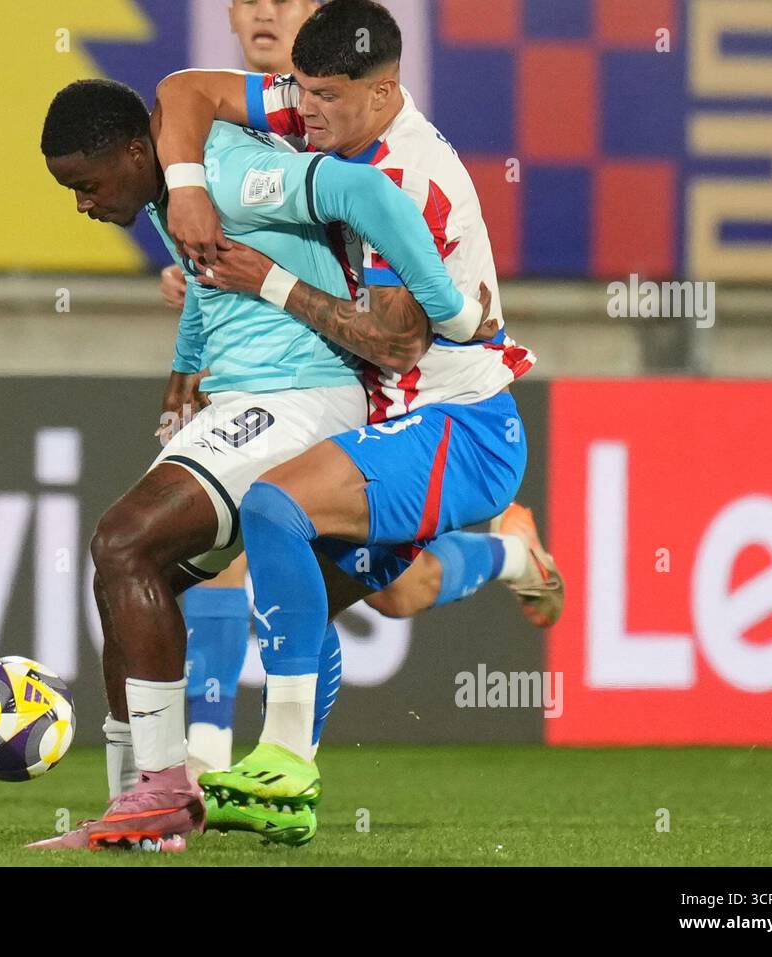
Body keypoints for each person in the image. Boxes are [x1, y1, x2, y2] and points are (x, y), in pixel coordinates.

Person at [34, 76, 490, 850]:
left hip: (303, 398)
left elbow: (364, 190)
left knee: (123, 543)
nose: (81, 203)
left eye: (85, 183)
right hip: (254, 398)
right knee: (129, 573)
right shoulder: (171, 192)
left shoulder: (226, 172)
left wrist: (450, 309)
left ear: (138, 151)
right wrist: (186, 372)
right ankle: (141, 814)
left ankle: (161, 793)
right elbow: (213, 291)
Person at [153, 0, 563, 828]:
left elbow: (396, 346)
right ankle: (513, 556)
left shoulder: (406, 179)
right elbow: (182, 91)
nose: (304, 114)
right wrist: (191, 194)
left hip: (460, 424)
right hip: (382, 421)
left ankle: (277, 763)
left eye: (325, 98)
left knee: (273, 509)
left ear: (382, 95)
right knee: (380, 595)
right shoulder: (322, 105)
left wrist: (263, 279)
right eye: (298, 93)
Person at [160, 0, 325, 790]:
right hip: (258, 386)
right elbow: (206, 272)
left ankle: (505, 550)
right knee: (215, 540)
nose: (266, 11)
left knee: (402, 591)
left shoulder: (341, 116)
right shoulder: (209, 130)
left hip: (349, 377)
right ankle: (209, 758)